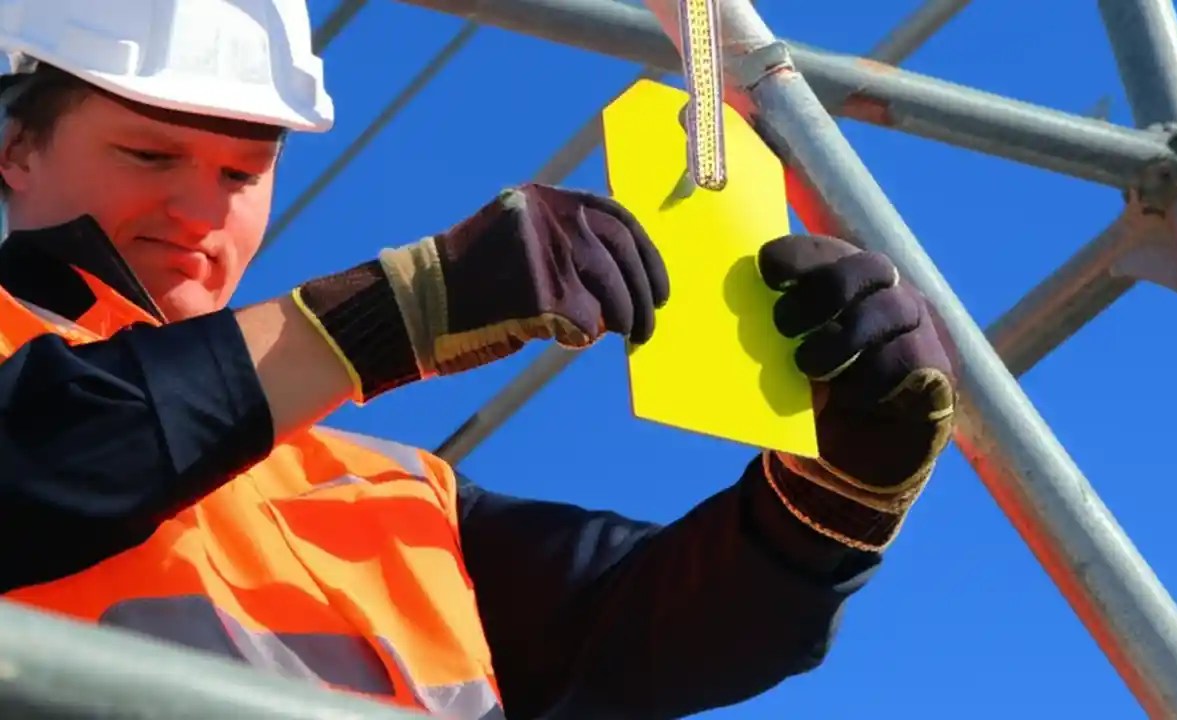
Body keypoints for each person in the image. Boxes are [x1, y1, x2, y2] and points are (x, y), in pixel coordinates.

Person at [0, 1, 957, 718]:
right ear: (14, 149)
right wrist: (393, 316)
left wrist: (836, 493)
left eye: (242, 174)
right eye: (150, 155)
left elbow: (645, 633)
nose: (204, 215)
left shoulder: (386, 486)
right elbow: (49, 457)